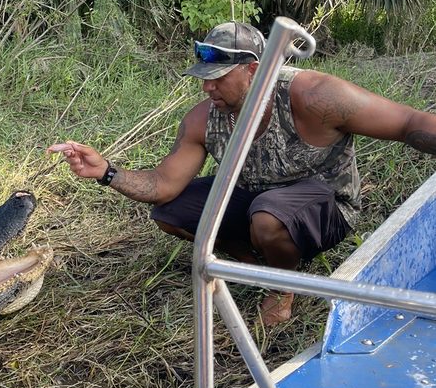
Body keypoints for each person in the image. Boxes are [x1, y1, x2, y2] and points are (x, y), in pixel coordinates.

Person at [48, 20, 436, 326]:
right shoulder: (204, 120)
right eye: (204, 76)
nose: (207, 87)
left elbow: (408, 123)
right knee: (172, 213)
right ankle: (255, 268)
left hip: (325, 206)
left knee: (267, 216)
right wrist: (106, 172)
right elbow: (162, 185)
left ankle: (282, 289)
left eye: (218, 77)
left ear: (253, 70)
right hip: (259, 201)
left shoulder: (313, 95)